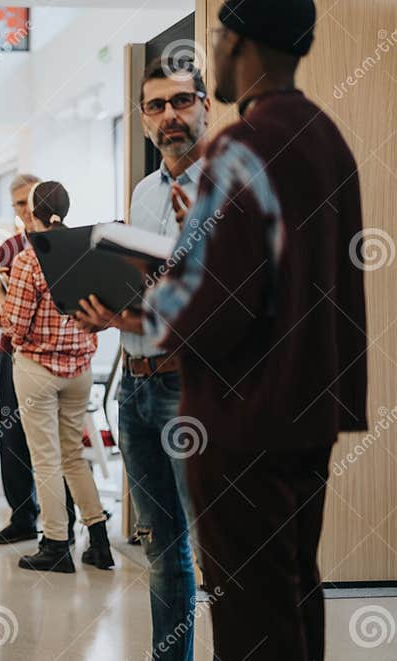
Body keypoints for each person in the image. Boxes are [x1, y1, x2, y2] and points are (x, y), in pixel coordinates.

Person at [141, 1, 366, 659]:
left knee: (248, 615)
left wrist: (146, 300)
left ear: (234, 42)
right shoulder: (327, 138)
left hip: (242, 419)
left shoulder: (242, 145)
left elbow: (215, 309)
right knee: (292, 590)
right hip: (307, 409)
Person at [74, 56, 210, 661]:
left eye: (181, 101)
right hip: (134, 386)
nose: (169, 117)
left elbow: (225, 299)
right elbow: (152, 290)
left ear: (205, 104)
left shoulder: (225, 186)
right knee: (163, 547)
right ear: (143, 117)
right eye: (156, 106)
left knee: (218, 546)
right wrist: (109, 309)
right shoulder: (144, 191)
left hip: (193, 387)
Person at [0, 181, 114, 574]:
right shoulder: (91, 251)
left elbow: (15, 326)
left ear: (33, 211)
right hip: (81, 371)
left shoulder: (30, 260)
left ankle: (56, 546)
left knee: (45, 460)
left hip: (39, 371)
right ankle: (99, 541)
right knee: (73, 456)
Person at [0, 173, 81, 547]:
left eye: (30, 201)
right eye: (17, 205)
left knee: (59, 445)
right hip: (12, 353)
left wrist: (5, 297)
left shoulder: (72, 244)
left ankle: (64, 521)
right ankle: (23, 517)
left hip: (54, 359)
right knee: (12, 437)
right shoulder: (11, 247)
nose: (25, 210)